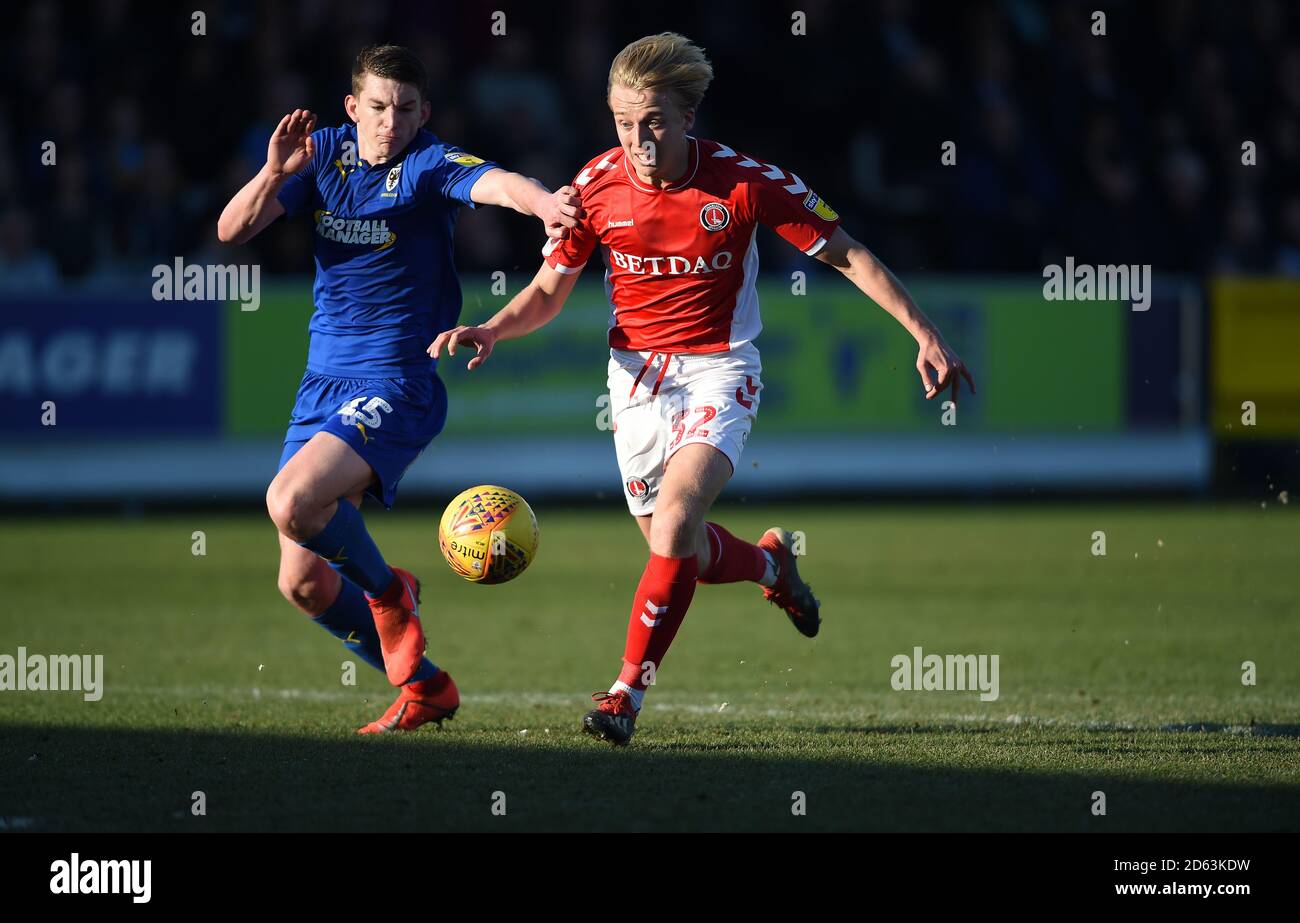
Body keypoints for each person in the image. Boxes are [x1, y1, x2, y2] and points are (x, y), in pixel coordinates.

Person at [431, 33, 974, 745]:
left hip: (722, 366)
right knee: (673, 543)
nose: (638, 138)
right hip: (634, 380)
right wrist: (495, 328)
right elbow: (547, 290)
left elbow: (846, 254)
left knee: (678, 517)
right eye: (624, 122)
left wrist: (923, 331)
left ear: (690, 116)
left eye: (653, 121)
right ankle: (771, 564)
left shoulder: (744, 183)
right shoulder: (595, 185)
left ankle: (625, 694)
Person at [217, 44, 583, 734]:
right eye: (379, 107)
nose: (392, 121)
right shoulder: (321, 154)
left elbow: (499, 183)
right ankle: (424, 685)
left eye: (407, 109)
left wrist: (545, 206)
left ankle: (390, 593)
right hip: (320, 382)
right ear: (353, 108)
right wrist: (272, 171)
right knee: (302, 581)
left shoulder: (428, 163)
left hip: (396, 377)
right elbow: (232, 230)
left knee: (291, 500)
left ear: (424, 113)